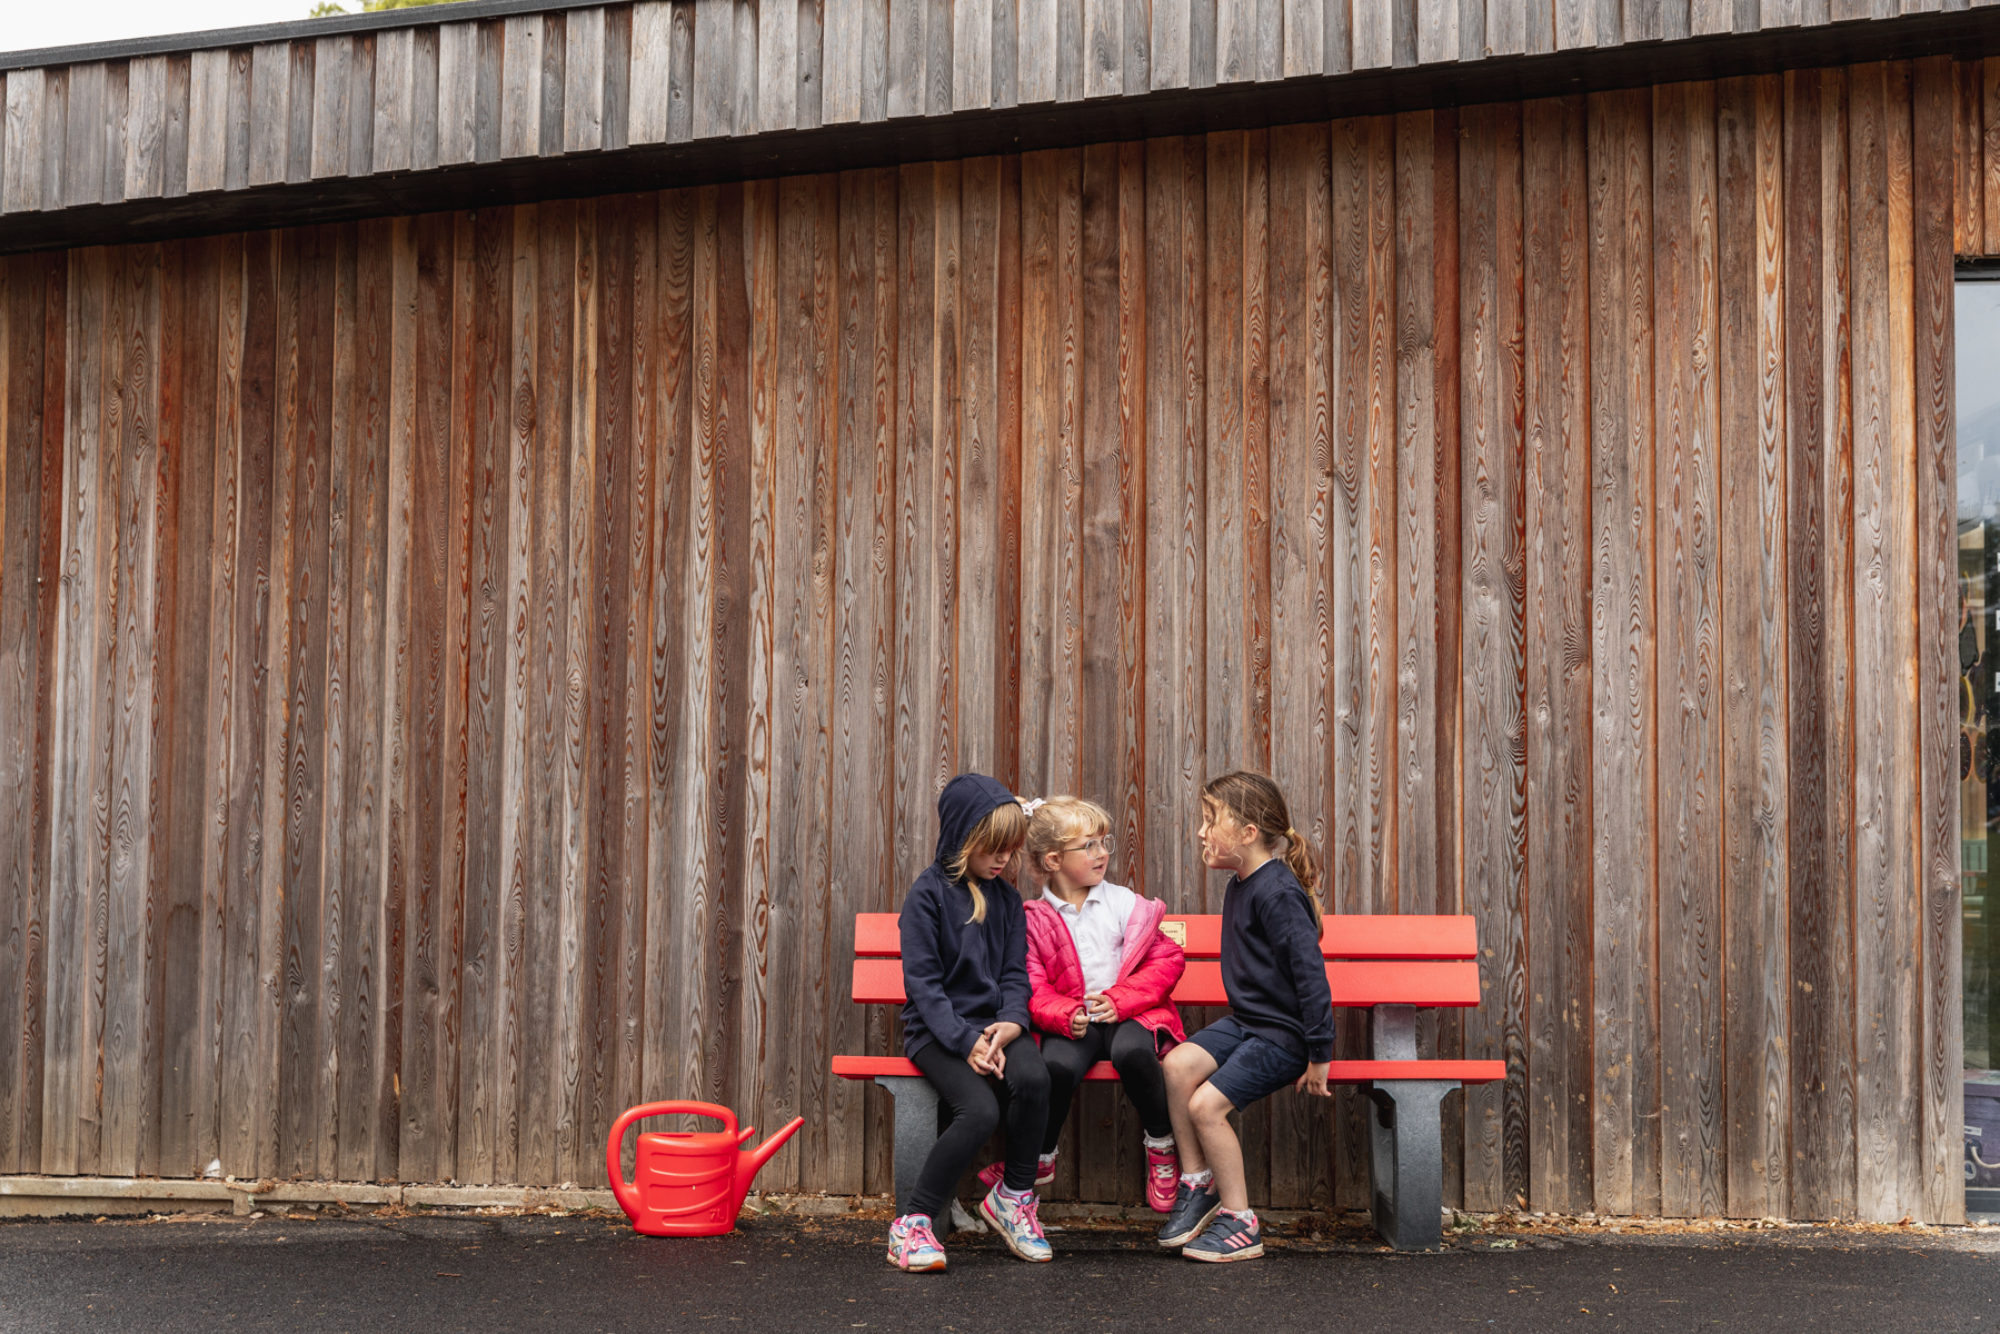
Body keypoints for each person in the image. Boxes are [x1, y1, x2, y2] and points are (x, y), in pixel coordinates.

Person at [1156, 771, 1333, 1263]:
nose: (1201, 832)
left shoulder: (1277, 893)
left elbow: (1311, 976)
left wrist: (1319, 1054)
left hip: (1284, 1036)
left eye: (1210, 820)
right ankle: (1199, 1183)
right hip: (1249, 1023)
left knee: (1205, 1108)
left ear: (1248, 832)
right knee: (1177, 1065)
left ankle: (1240, 1221)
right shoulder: (1241, 883)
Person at [980, 796, 1186, 1211]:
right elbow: (1032, 984)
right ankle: (1041, 1157)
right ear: (1053, 860)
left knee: (1133, 1054)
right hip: (1076, 1022)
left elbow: (1167, 960)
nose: (1103, 852)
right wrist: (1064, 1014)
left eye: (1104, 842)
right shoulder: (1033, 919)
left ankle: (1162, 1145)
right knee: (1055, 1066)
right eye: (1089, 845)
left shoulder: (1124, 904)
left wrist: (1121, 999)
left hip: (1132, 1015)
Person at [886, 773, 1053, 1272]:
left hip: (994, 1026)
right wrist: (965, 1041)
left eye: (1010, 849)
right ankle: (912, 1224)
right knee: (979, 1111)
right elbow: (924, 987)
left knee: (1035, 1077)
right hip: (937, 1032)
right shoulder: (927, 895)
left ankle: (1013, 1198)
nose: (1003, 858)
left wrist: (1012, 1023)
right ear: (963, 837)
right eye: (992, 848)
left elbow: (1014, 974)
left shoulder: (1006, 900)